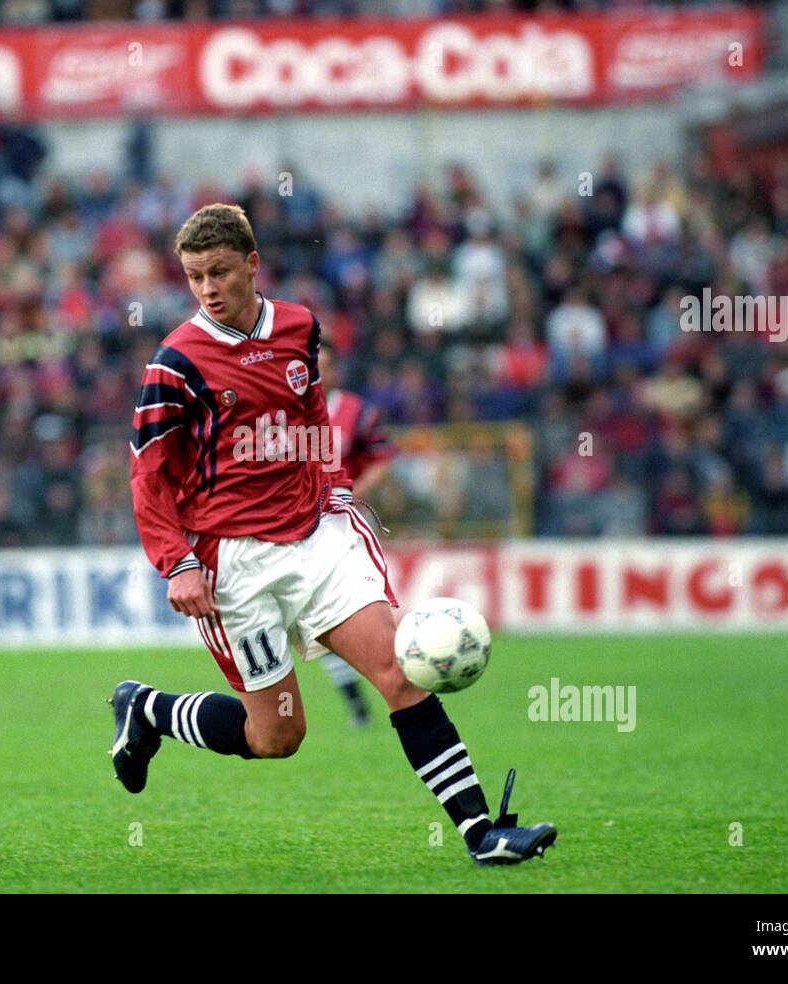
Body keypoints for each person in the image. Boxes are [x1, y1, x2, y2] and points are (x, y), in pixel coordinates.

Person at [116, 203, 556, 865]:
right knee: (277, 736)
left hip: (320, 537)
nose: (208, 288)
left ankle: (480, 833)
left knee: (402, 673)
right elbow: (147, 472)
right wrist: (175, 563)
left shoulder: (298, 326)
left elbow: (313, 409)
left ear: (252, 264)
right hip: (232, 561)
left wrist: (332, 477)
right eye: (195, 276)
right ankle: (146, 709)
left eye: (220, 271)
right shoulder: (174, 362)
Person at [315, 338, 396, 727]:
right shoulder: (281, 412)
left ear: (336, 369)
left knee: (362, 611)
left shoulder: (357, 412)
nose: (318, 372)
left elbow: (382, 459)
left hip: (347, 529)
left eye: (325, 364)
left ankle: (395, 688)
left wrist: (355, 493)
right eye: (311, 364)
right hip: (299, 533)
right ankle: (358, 703)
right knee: (321, 619)